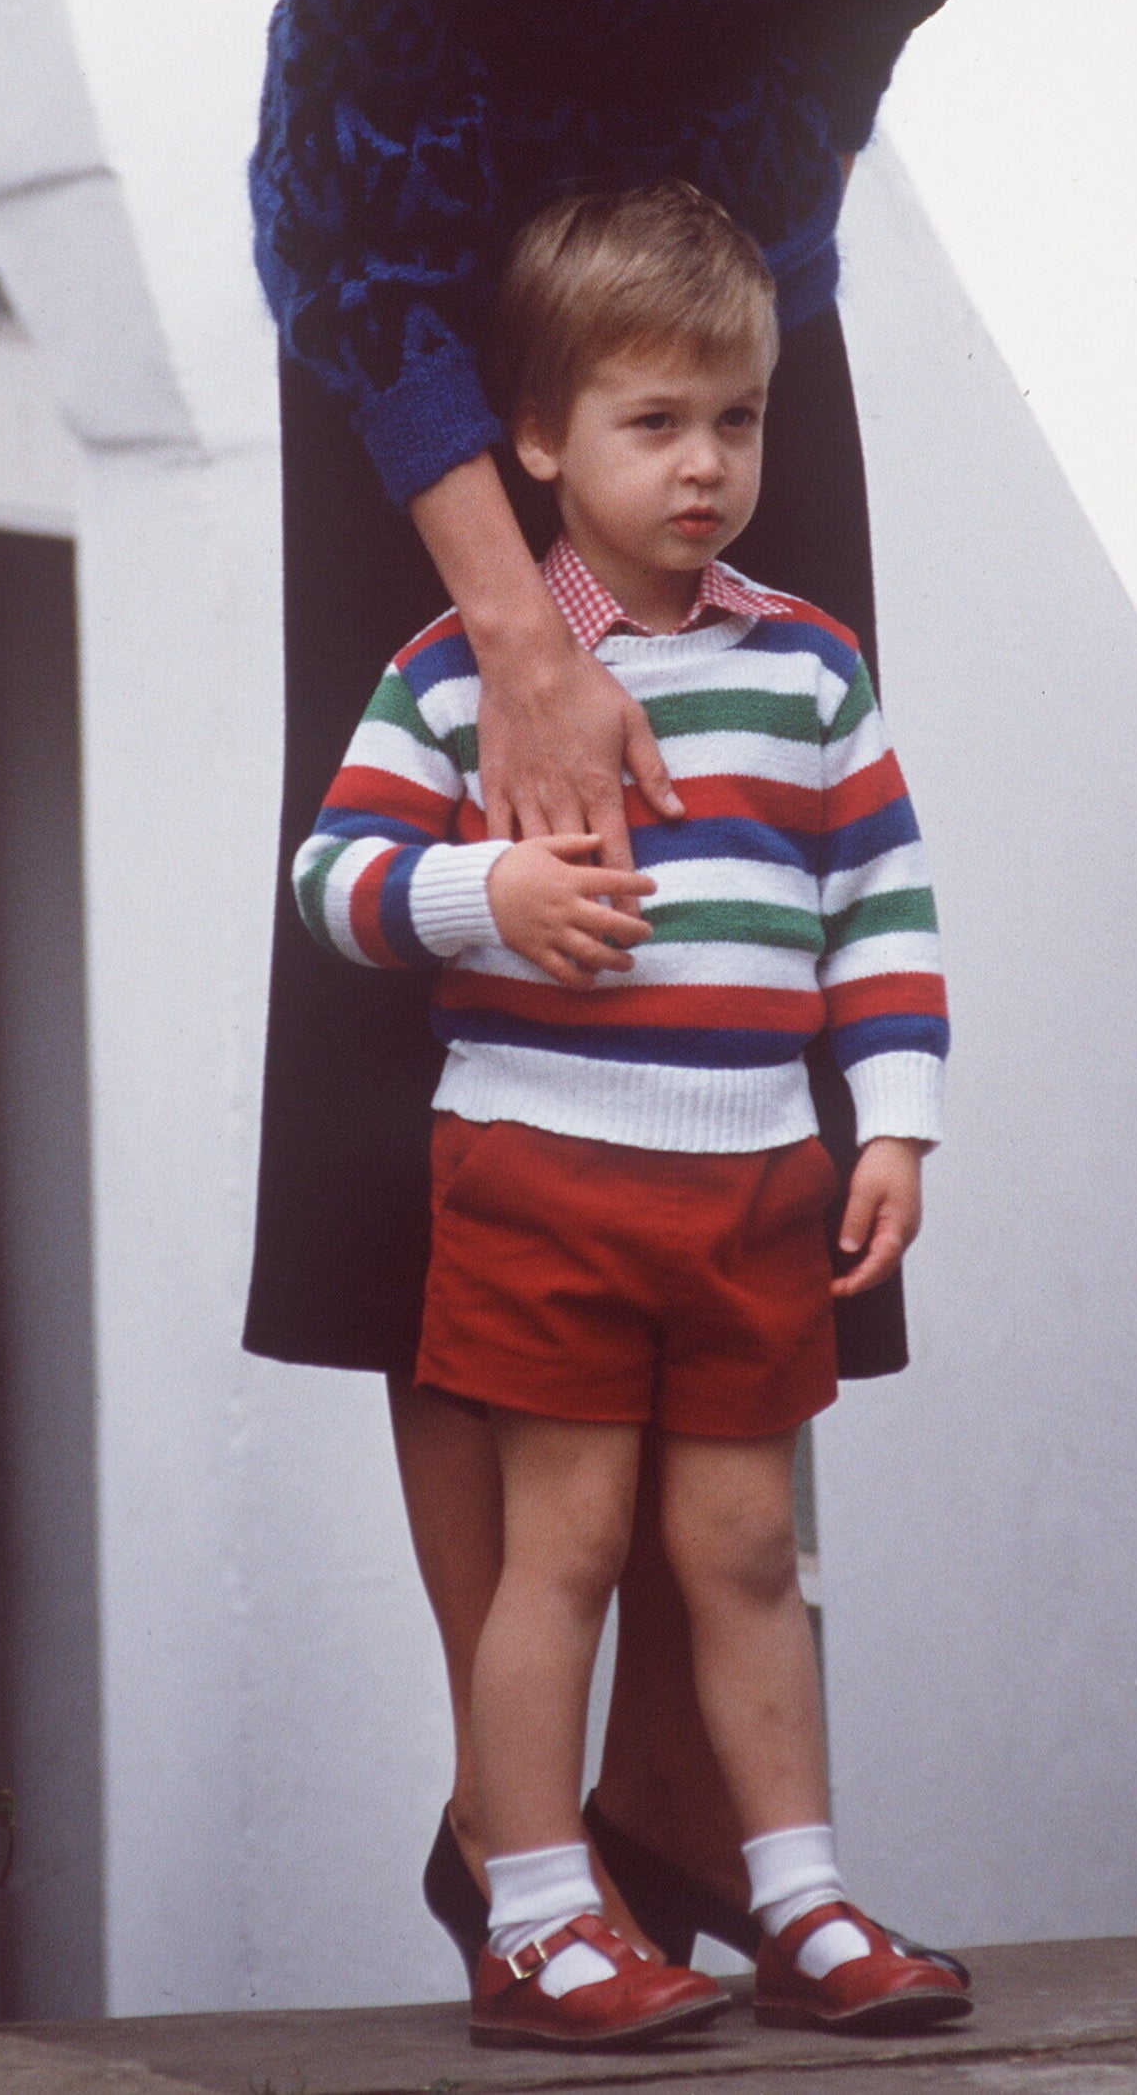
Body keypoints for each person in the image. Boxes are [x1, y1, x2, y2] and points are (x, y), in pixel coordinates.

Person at [245, 0, 1091, 1962]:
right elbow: (359, 170)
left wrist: (688, 466)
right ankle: (524, 1837)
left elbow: (833, 59)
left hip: (724, 346)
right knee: (462, 1055)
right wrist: (515, 620)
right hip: (435, 397)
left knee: (734, 989)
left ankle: (681, 1794)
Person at [296, 185, 966, 2047]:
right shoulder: (462, 669)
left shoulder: (809, 666)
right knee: (564, 1548)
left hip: (756, 1175)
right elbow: (334, 876)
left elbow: (882, 907)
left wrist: (894, 1120)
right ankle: (536, 1915)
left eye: (735, 422)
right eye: (651, 424)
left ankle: (803, 1898)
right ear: (538, 440)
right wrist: (479, 899)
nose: (704, 467)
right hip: (542, 1168)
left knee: (748, 1552)